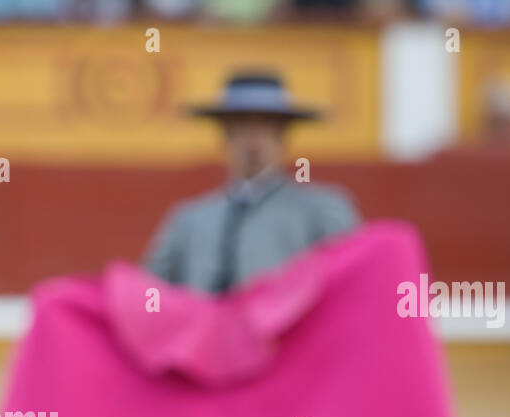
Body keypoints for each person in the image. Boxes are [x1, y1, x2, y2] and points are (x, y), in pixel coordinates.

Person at [144, 71, 360, 294]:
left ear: (282, 135)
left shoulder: (320, 211)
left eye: (265, 125)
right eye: (242, 125)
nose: (253, 138)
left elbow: (350, 289)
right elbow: (148, 293)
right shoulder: (188, 221)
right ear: (226, 134)